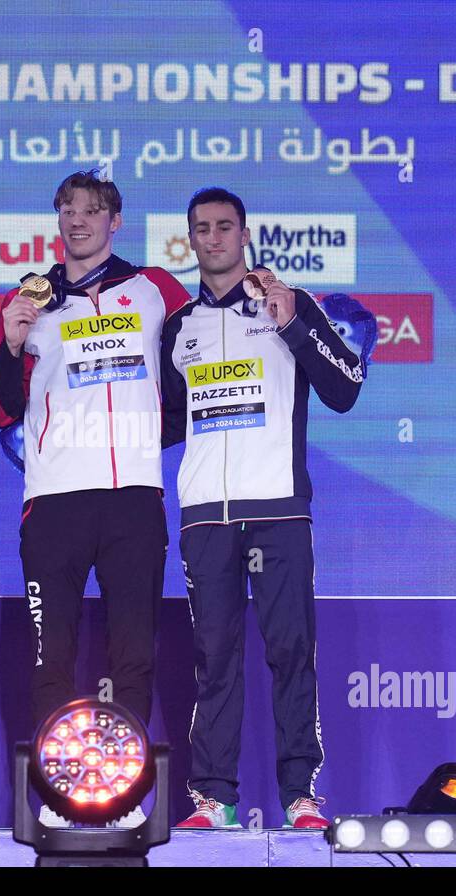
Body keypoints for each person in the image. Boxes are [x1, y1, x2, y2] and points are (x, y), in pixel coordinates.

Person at [159, 187, 375, 829]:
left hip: (280, 510)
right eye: (203, 228)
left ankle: (300, 795)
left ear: (246, 234)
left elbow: (344, 389)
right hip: (205, 514)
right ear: (190, 239)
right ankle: (213, 797)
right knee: (214, 658)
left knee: (290, 653)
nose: (214, 238)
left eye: (226, 227)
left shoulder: (293, 306)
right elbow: (169, 419)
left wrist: (292, 323)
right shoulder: (178, 328)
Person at [0, 170, 191, 827]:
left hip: (134, 499)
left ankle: (125, 795)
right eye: (67, 211)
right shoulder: (29, 299)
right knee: (53, 657)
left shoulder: (156, 289)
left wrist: (151, 439)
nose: (78, 222)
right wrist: (12, 342)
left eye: (92, 211)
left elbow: (195, 369)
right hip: (53, 505)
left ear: (115, 222)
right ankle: (58, 793)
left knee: (134, 655)